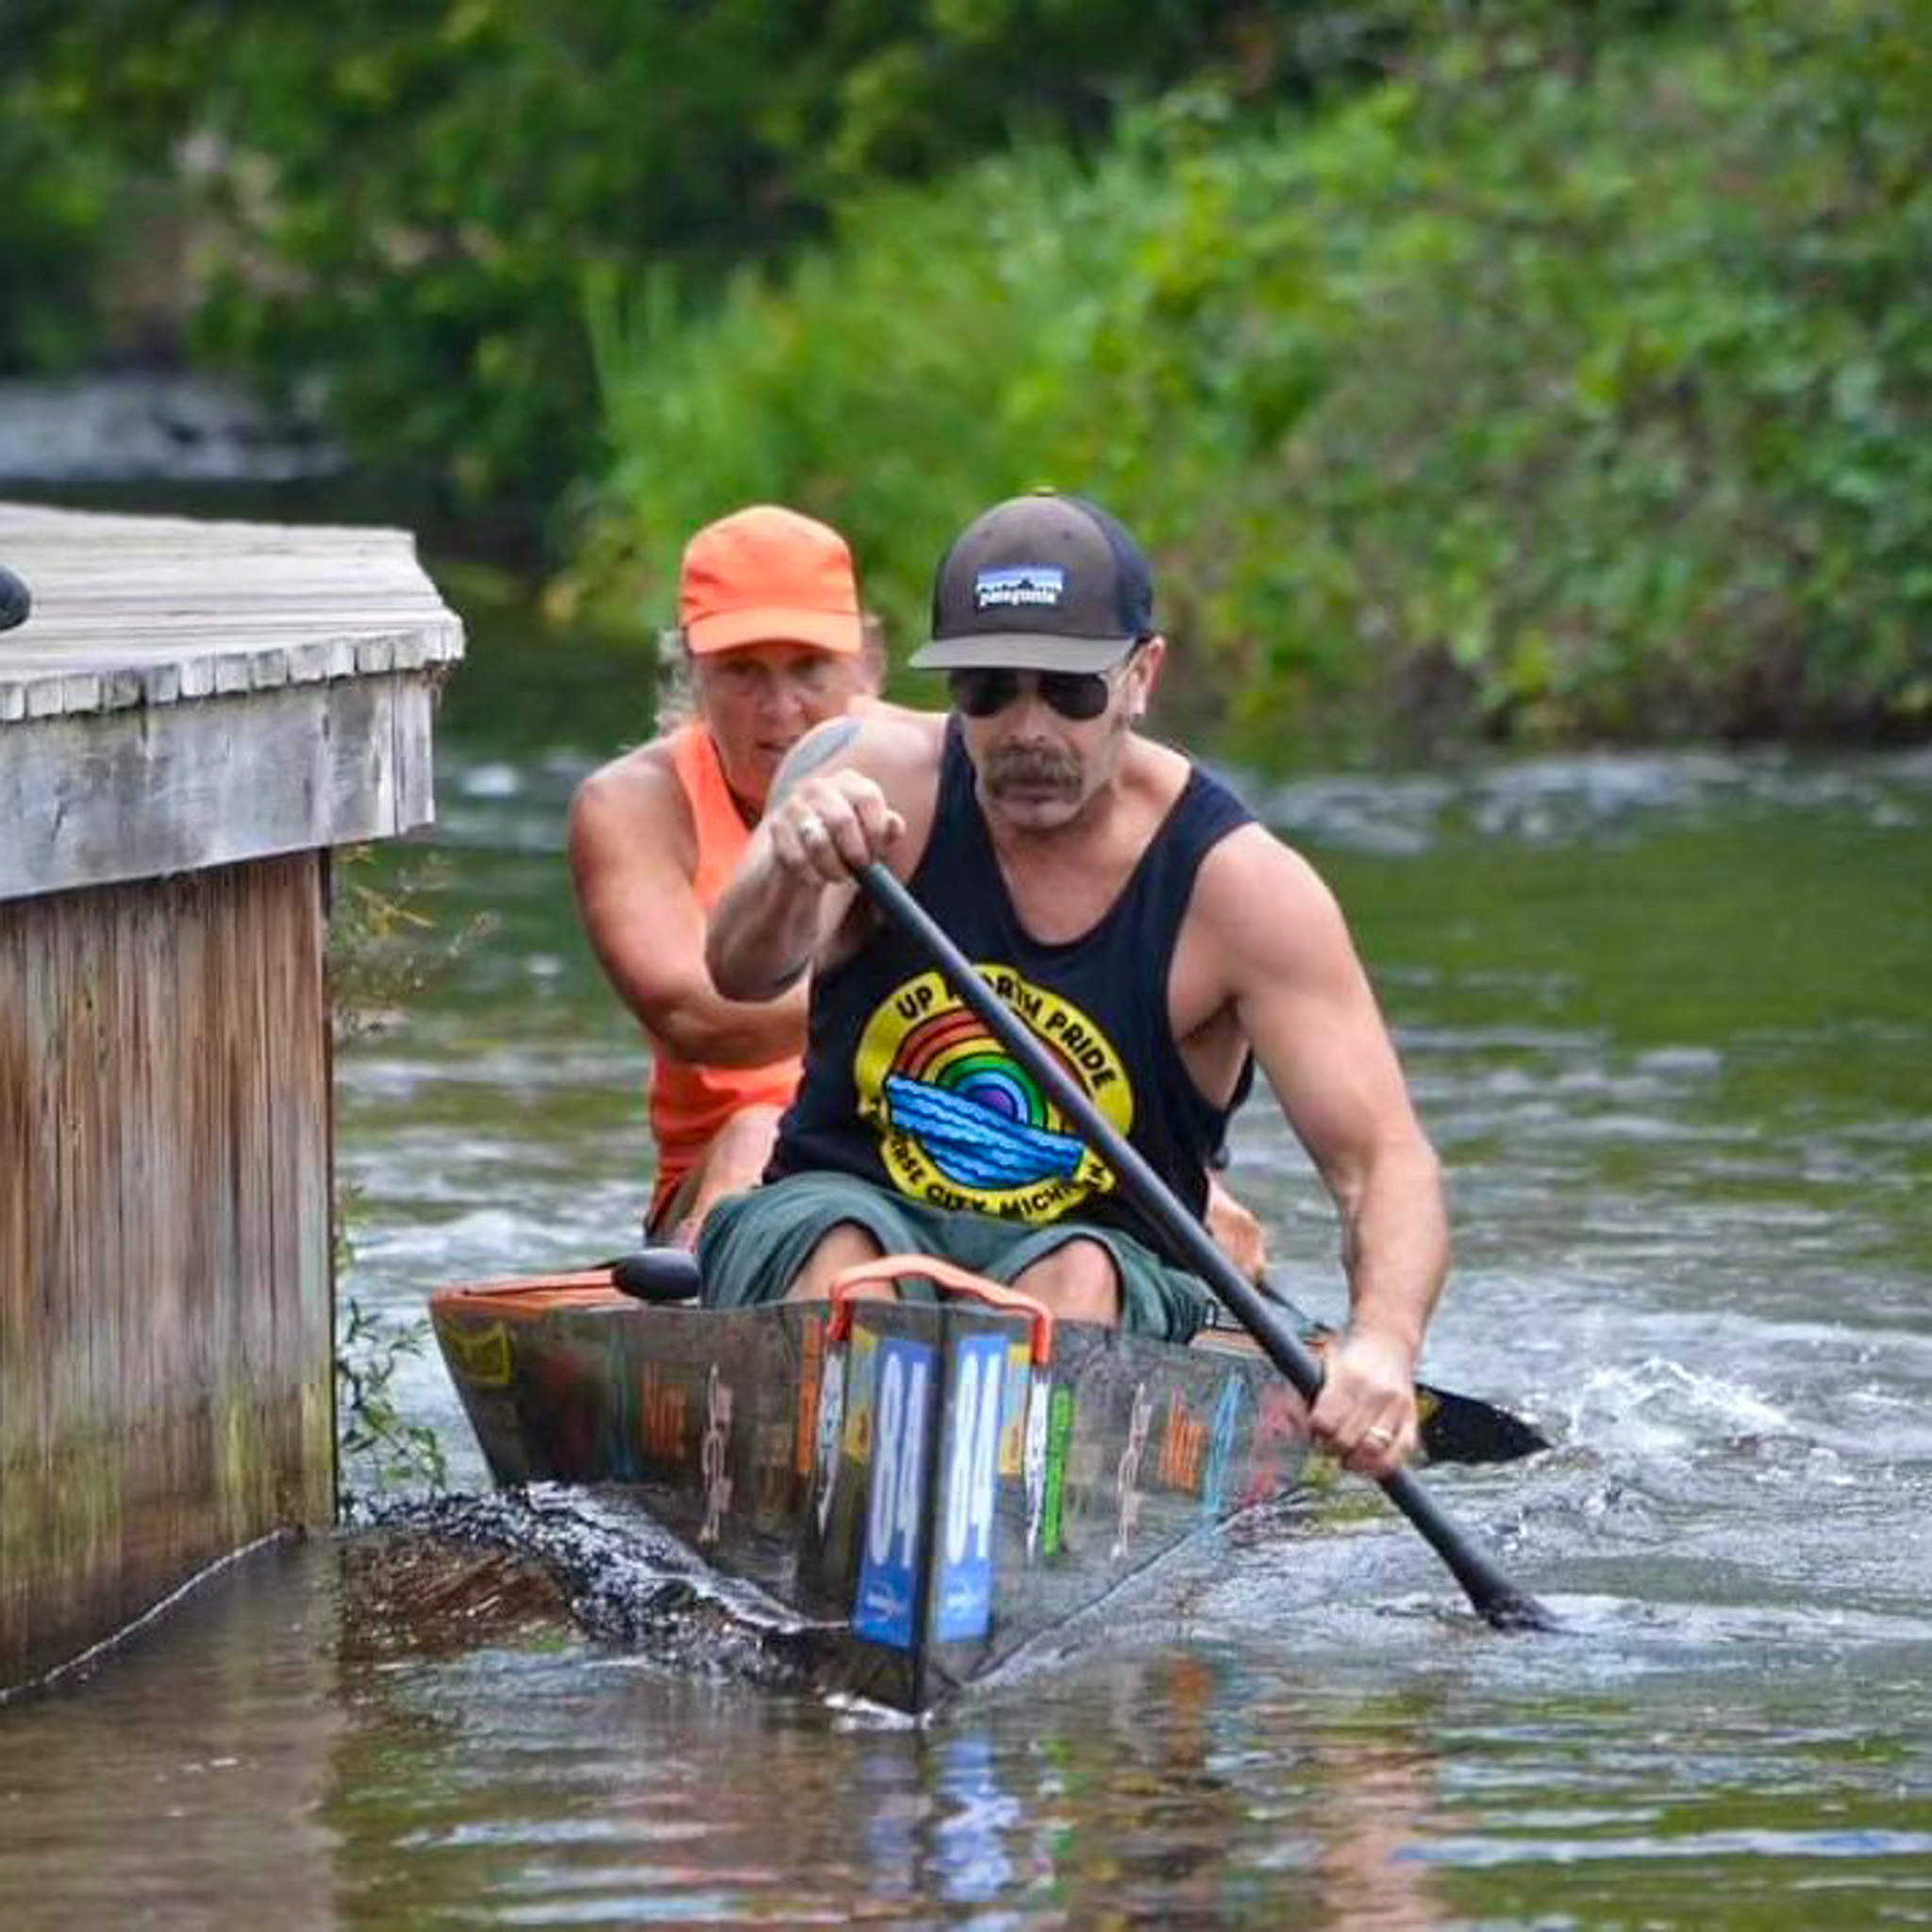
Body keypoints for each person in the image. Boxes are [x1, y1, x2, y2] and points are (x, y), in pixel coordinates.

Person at [699, 491, 1448, 1474]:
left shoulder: (1242, 889)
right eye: (988, 689)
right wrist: (791, 863)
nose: (1027, 728)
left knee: (1075, 1271)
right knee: (846, 1262)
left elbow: (1383, 1162)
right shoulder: (864, 775)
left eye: (1069, 691)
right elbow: (741, 971)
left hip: (1102, 1252)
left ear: (1140, 676)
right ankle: (848, 1502)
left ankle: (1005, 1519)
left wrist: (1381, 1346)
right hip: (842, 1202)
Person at [568, 504, 880, 1245]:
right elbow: (693, 1019)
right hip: (729, 1169)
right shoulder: (632, 803)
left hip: (929, 1151)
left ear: (864, 662)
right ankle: (712, 1325)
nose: (781, 710)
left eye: (809, 668)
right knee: (756, 1131)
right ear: (692, 672)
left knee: (1197, 1201)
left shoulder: (939, 768)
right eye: (743, 673)